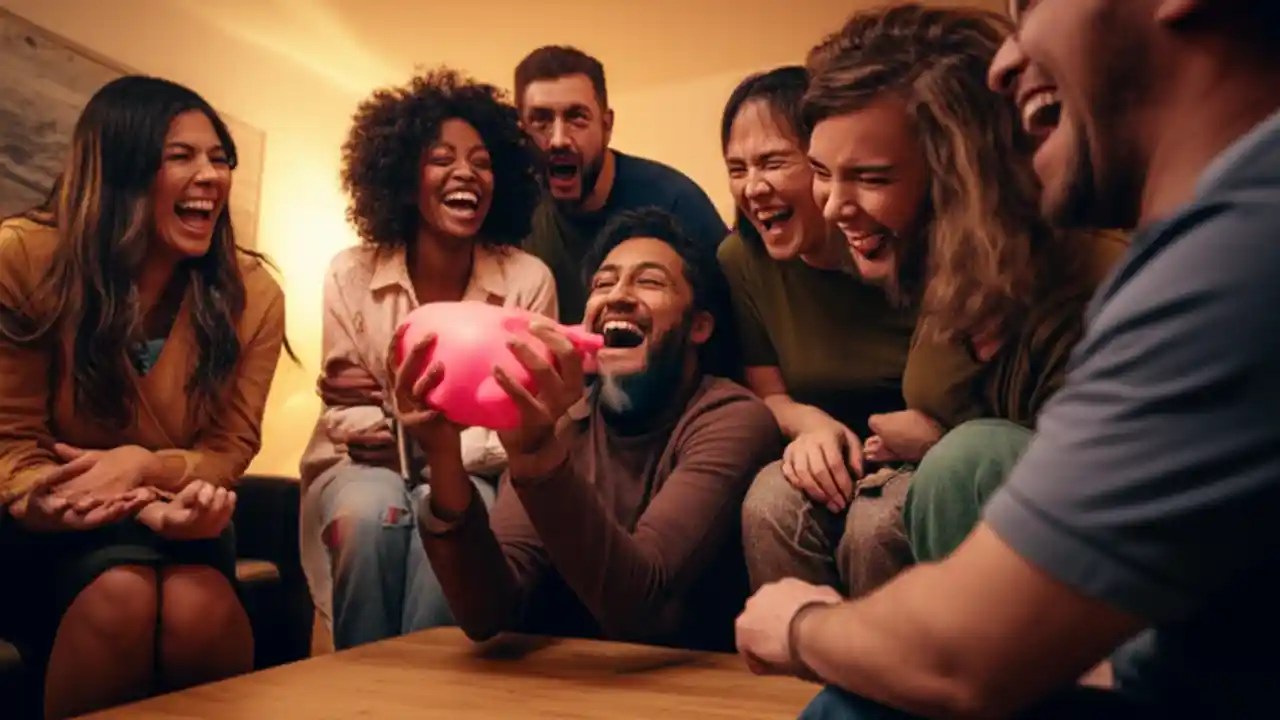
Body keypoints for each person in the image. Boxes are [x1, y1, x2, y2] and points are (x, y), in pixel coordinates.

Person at [736, 0, 1280, 717]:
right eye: (821, 173)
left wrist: (802, 625)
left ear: (962, 174)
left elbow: (969, 651)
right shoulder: (945, 290)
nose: (1007, 64)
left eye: (1033, 4)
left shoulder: (1223, 258)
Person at [739, 11, 1125, 596]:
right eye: (821, 172)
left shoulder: (1094, 289)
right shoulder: (943, 273)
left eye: (872, 178)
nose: (833, 206)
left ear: (966, 179)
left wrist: (942, 444)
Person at [0, 75, 286, 719]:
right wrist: (45, 498)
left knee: (200, 607)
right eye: (181, 156)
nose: (211, 176)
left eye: (220, 158)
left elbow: (230, 447)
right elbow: (9, 444)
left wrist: (147, 470)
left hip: (185, 517)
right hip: (49, 522)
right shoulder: (22, 258)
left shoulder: (255, 295)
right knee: (119, 597)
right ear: (119, 170)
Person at [390, 207, 781, 651]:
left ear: (699, 326)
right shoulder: (561, 420)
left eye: (650, 281)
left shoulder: (733, 419)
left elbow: (641, 603)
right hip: (565, 680)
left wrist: (539, 458)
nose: (618, 296)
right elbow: (489, 613)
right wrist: (443, 456)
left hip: (691, 684)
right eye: (603, 283)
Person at [298, 68, 557, 650]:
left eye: (482, 162)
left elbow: (520, 422)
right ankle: (360, 684)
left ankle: (428, 691)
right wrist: (418, 432)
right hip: (358, 470)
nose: (466, 172)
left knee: (458, 533)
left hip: (475, 475)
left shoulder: (528, 281)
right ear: (403, 177)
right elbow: (346, 411)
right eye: (442, 158)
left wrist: (414, 438)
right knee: (370, 517)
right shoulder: (350, 272)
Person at [516, 45, 729, 322]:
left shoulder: (676, 203)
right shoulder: (516, 208)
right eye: (541, 121)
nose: (558, 139)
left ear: (607, 126)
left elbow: (727, 329)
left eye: (577, 118)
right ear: (522, 131)